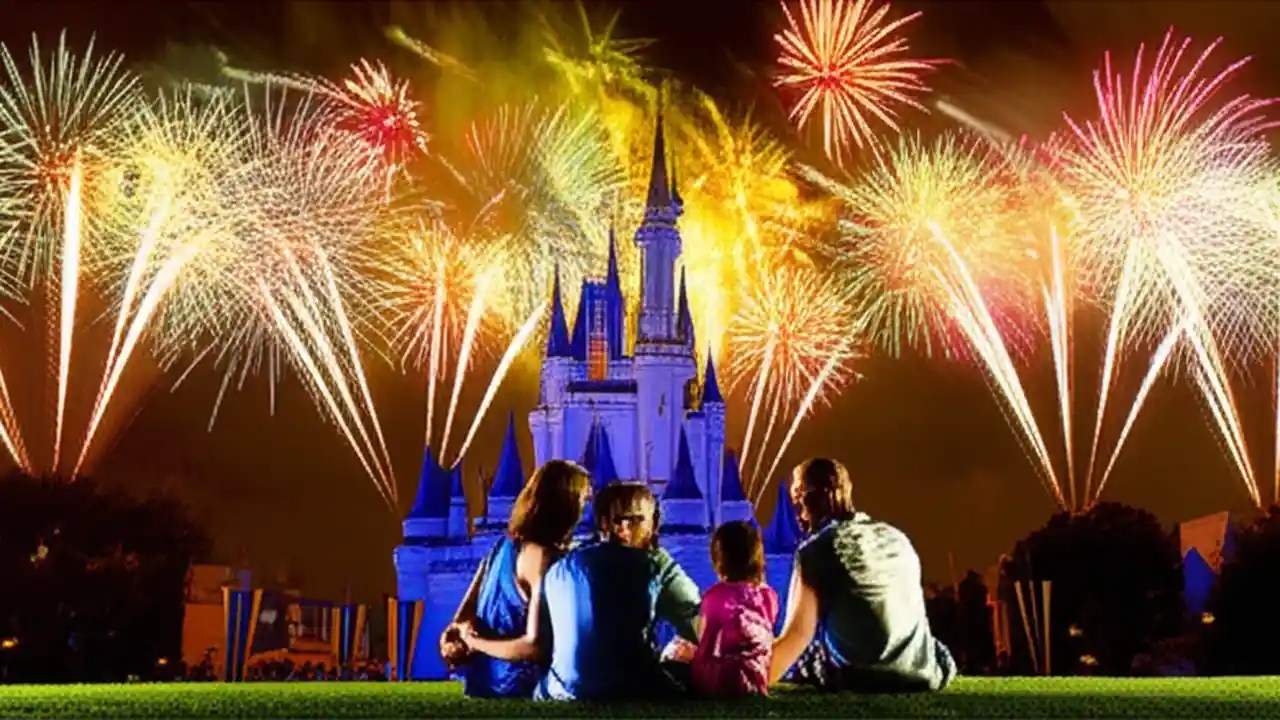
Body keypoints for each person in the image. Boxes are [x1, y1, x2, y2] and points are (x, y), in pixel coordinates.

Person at [473, 482, 701, 701]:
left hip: (558, 690)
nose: (626, 530)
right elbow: (699, 625)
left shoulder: (563, 563)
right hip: (633, 689)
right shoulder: (655, 564)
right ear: (653, 523)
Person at [770, 458, 956, 692]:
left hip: (858, 676)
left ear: (814, 497)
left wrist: (749, 675)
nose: (796, 511)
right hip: (923, 674)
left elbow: (796, 637)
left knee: (811, 658)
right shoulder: (898, 538)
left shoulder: (815, 551)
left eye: (798, 495)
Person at [442, 459, 592, 698]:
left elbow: (459, 621)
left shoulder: (499, 548)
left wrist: (454, 640)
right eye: (583, 500)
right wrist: (474, 642)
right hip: (519, 689)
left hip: (480, 687)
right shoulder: (542, 558)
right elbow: (534, 646)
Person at [686, 520, 779, 698]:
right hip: (756, 679)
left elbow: (706, 644)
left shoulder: (714, 596)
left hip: (716, 682)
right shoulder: (769, 596)